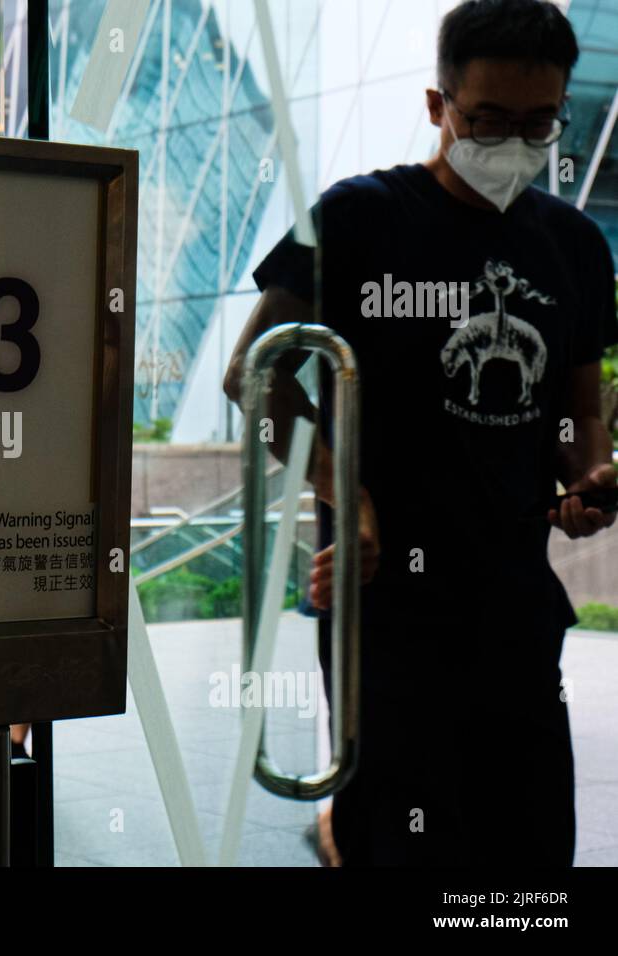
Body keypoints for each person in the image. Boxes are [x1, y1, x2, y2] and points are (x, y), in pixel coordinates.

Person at [225, 0, 617, 866]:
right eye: (487, 119)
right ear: (438, 105)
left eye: (538, 122)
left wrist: (593, 477)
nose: (512, 142)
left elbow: (580, 414)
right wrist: (345, 490)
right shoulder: (358, 219)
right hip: (387, 614)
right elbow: (253, 377)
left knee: (527, 854)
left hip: (514, 606)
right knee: (405, 840)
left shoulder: (577, 245)